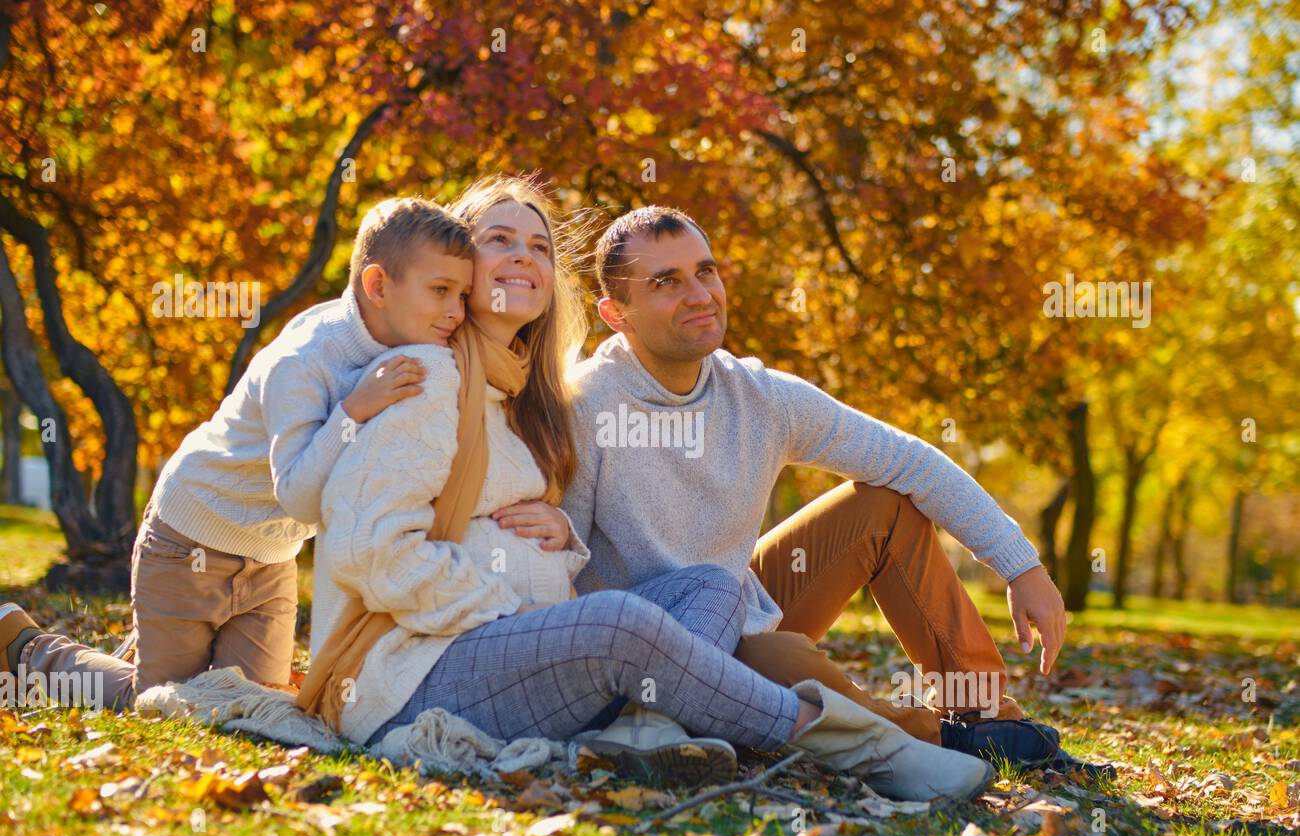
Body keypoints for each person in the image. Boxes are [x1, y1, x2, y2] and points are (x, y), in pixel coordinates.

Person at [299, 175, 998, 799]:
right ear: (456, 263)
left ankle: (648, 726)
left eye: (540, 246)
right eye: (498, 240)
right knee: (625, 624)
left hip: (522, 658)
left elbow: (537, 541)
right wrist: (507, 613)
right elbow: (371, 553)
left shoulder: (522, 399)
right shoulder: (427, 381)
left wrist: (561, 537)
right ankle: (867, 746)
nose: (523, 256)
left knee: (713, 584)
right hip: (412, 674)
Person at [562, 205, 1112, 778]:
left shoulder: (761, 397)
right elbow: (558, 568)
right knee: (782, 660)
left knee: (883, 506)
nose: (700, 294)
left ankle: (987, 717)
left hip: (736, 605)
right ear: (615, 313)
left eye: (706, 271)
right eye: (666, 283)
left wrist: (1022, 567)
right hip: (640, 649)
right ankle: (941, 740)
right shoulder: (583, 404)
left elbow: (912, 462)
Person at [2, 198, 482, 707]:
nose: (457, 311)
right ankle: (31, 650)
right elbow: (298, 494)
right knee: (169, 704)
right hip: (192, 539)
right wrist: (353, 411)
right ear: (378, 286)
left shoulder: (407, 349)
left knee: (246, 706)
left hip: (271, 563)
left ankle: (154, 645)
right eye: (441, 291)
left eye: (464, 294)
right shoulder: (303, 362)